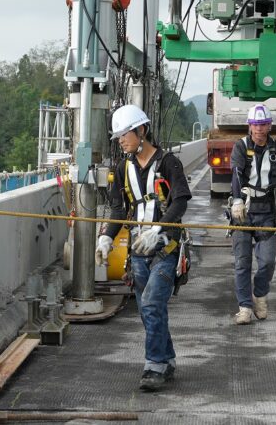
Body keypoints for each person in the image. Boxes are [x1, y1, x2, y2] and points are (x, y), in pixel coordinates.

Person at [95, 104, 192, 391]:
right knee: (150, 309)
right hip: (137, 252)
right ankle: (167, 359)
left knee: (151, 304)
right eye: (119, 137)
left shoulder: (167, 163)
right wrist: (106, 237)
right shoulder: (122, 167)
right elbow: (117, 208)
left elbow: (180, 201)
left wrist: (158, 229)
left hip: (165, 248)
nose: (121, 140)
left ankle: (154, 366)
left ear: (141, 131)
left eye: (125, 134)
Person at [228, 103, 276, 325]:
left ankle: (259, 296)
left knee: (268, 261)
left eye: (263, 125)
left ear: (270, 126)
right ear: (249, 126)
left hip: (267, 212)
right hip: (243, 211)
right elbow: (235, 174)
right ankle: (244, 307)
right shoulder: (241, 147)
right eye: (255, 125)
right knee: (242, 262)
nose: (259, 129)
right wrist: (236, 201)